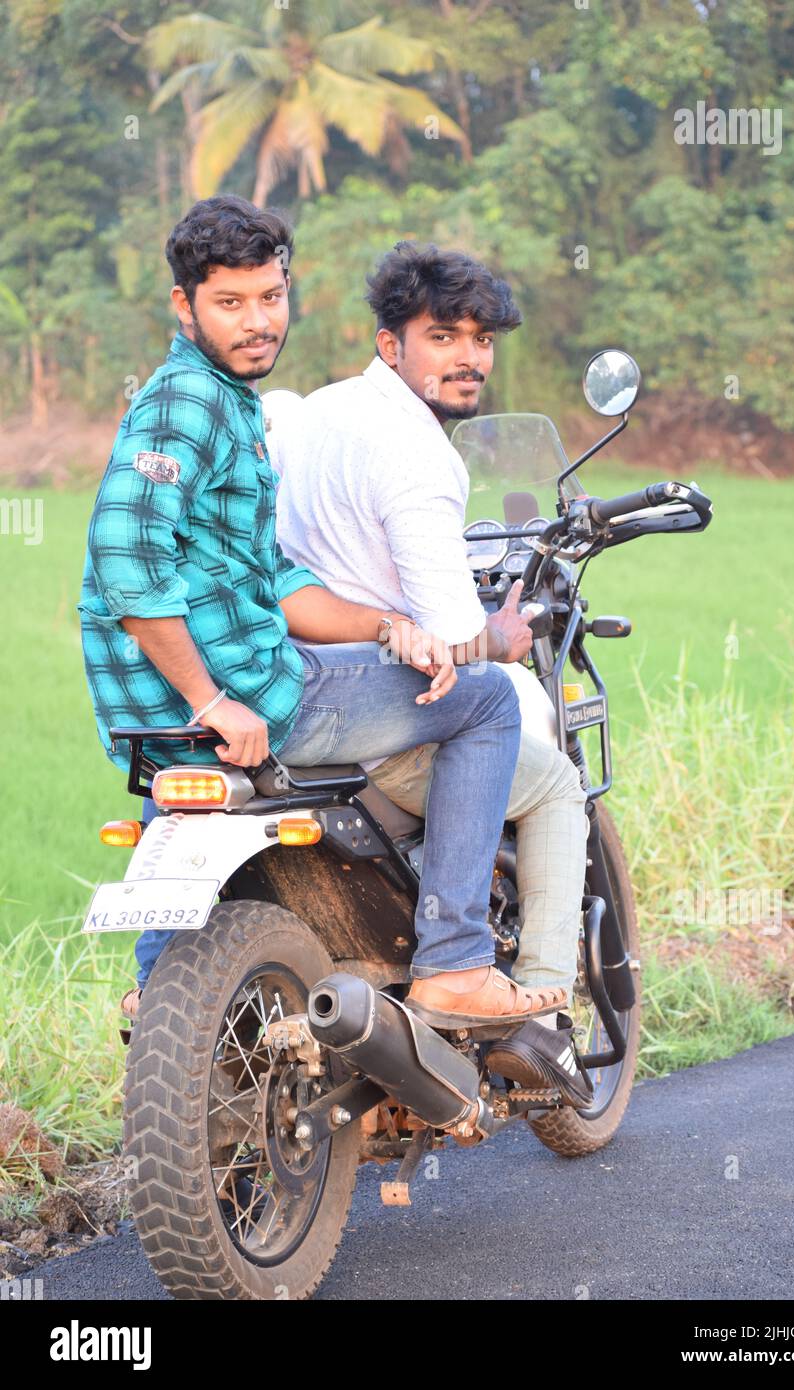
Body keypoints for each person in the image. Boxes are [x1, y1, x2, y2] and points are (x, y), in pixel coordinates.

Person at [78, 196, 567, 1036]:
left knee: (189, 769)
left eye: (271, 296)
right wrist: (210, 700)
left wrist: (384, 627)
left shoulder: (232, 401)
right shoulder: (186, 405)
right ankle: (456, 963)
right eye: (230, 302)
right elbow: (125, 560)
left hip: (170, 718)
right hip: (256, 694)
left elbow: (273, 578)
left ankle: (160, 988)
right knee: (486, 698)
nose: (258, 321)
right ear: (185, 305)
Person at [265, 241, 591, 1103]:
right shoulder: (419, 455)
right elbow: (453, 635)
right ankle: (530, 1007)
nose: (469, 357)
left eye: (482, 340)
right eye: (443, 337)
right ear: (391, 344)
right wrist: (504, 634)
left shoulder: (318, 413)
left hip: (290, 681)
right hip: (374, 711)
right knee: (551, 779)